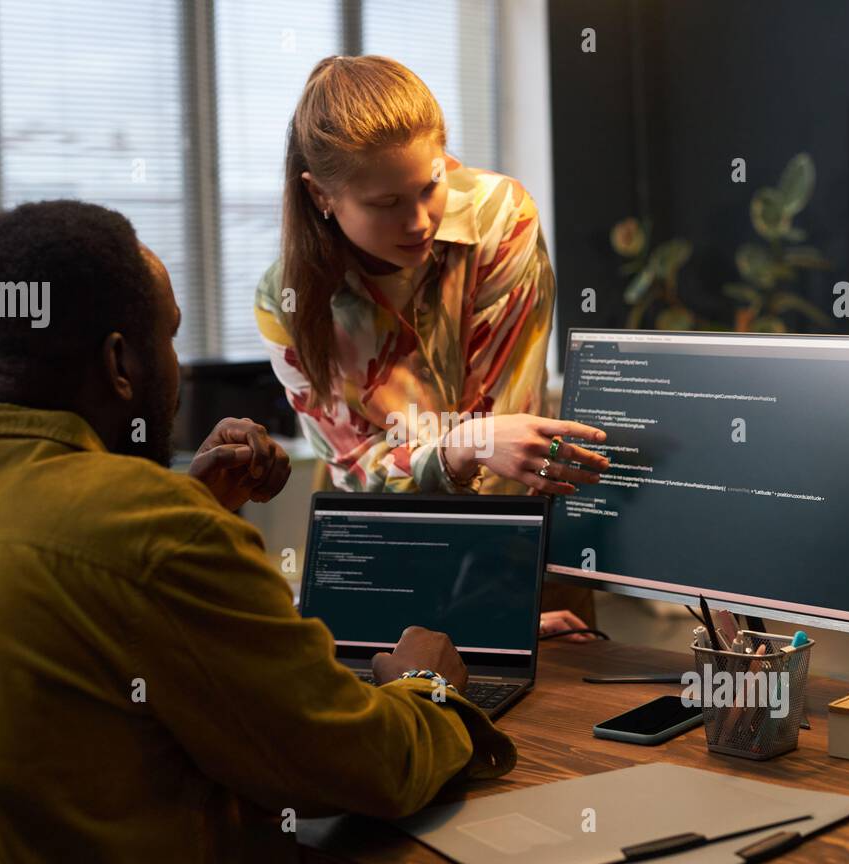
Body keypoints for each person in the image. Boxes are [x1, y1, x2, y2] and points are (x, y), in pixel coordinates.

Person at [0, 199, 514, 864]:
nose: (177, 366)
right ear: (121, 363)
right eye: (170, 335)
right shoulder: (150, 528)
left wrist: (187, 508)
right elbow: (361, 769)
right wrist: (427, 688)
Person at [254, 54, 606, 637]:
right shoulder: (285, 303)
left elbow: (508, 440)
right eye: (386, 204)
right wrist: (458, 451)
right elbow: (359, 468)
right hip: (385, 548)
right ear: (321, 195)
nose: (419, 221)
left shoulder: (501, 219)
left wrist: (500, 608)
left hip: (519, 534)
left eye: (431, 183)